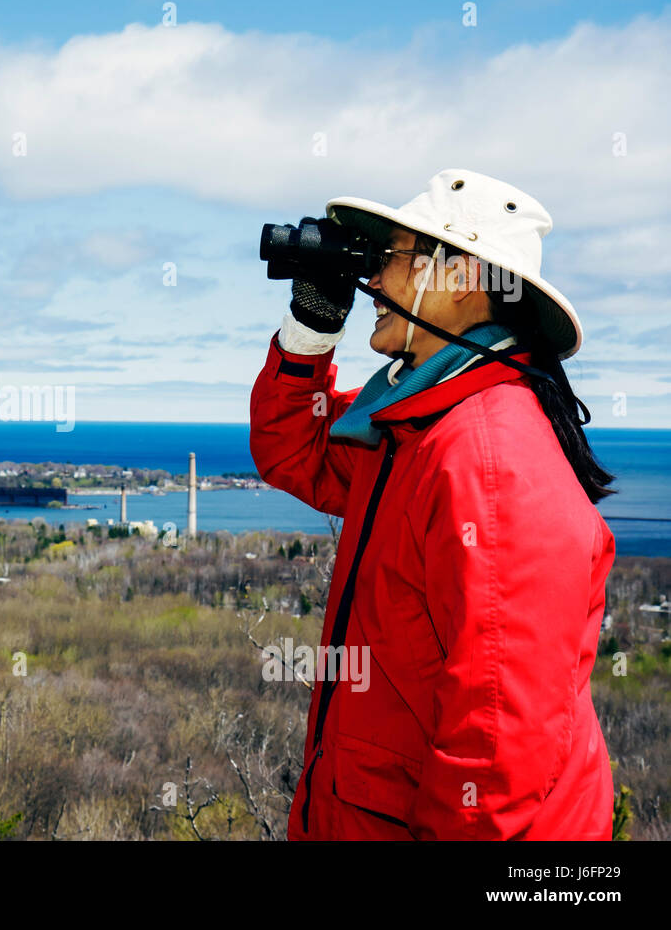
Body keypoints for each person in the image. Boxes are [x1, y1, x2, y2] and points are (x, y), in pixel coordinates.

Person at [249, 169, 616, 840]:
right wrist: (312, 322)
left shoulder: (487, 459)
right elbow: (293, 452)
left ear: (463, 278)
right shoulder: (414, 424)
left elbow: (500, 750)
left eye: (389, 258)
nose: (372, 282)